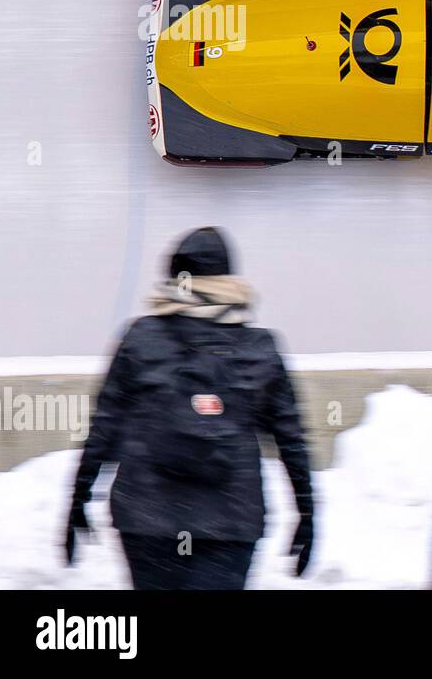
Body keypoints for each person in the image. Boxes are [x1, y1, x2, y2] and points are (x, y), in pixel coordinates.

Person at [65, 226, 314, 590]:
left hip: (147, 517)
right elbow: (291, 439)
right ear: (228, 278)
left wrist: (77, 498)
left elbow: (105, 426)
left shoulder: (140, 338)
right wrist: (307, 512)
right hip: (230, 521)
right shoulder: (260, 348)